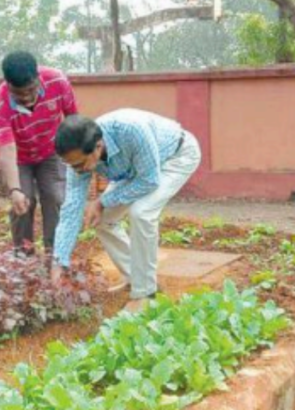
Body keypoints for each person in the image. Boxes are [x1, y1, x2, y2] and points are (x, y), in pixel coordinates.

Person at [49, 110, 202, 313]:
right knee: (102, 219)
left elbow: (149, 180)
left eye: (79, 164)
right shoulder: (77, 156)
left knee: (142, 212)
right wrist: (59, 262)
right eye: (71, 165)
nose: (77, 170)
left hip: (175, 156)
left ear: (98, 147)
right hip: (134, 170)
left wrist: (102, 201)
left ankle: (145, 293)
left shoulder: (130, 130)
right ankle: (134, 276)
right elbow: (71, 208)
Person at [0, 51, 78, 254]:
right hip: (19, 157)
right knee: (22, 201)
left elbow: (72, 118)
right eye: (19, 95)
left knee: (55, 196)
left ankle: (55, 253)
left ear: (38, 77)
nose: (27, 99)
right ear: (7, 85)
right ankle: (23, 255)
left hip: (51, 150)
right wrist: (15, 190)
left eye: (31, 90)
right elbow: (7, 149)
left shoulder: (57, 81)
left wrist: (74, 156)